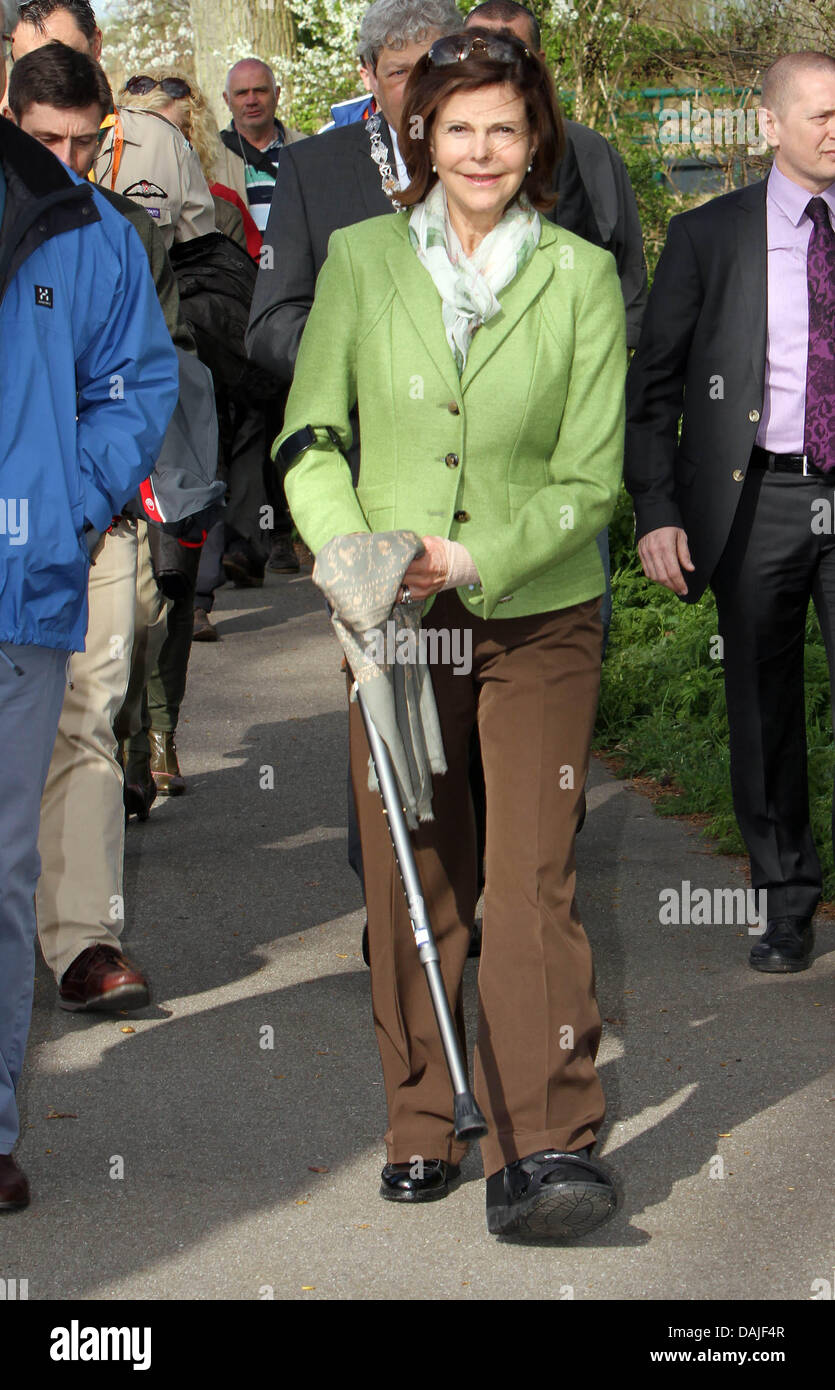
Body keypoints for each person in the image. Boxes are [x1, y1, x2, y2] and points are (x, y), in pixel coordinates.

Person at [277, 28, 625, 1238]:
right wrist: (353, 554)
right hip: (396, 617)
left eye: (505, 128)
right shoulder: (365, 260)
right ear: (420, 132)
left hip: (538, 615)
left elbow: (592, 478)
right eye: (458, 125)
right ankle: (424, 1118)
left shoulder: (581, 275)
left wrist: (473, 554)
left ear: (537, 144)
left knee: (530, 881)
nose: (481, 149)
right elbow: (311, 435)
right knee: (413, 876)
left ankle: (546, 1142)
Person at [0, 34, 179, 1207]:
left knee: (4, 866)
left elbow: (140, 385)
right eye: (43, 140)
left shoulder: (102, 237)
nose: (63, 160)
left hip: (27, 585)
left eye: (81, 143)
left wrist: (69, 497)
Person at [625, 50, 835, 976]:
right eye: (820, 114)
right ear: (769, 126)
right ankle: (786, 903)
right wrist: (657, 509)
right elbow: (655, 385)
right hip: (762, 499)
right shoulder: (710, 236)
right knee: (763, 708)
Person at [246, 0, 463, 398]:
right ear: (370, 79)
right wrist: (372, 367)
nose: (420, 86)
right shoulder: (312, 169)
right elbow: (272, 324)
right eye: (400, 72)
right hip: (363, 433)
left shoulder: (504, 161)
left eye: (435, 67)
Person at [8, 0, 217, 248]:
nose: (51, 79)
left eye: (65, 58)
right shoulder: (7, 153)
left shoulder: (163, 144)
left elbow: (204, 274)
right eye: (29, 66)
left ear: (95, 44)